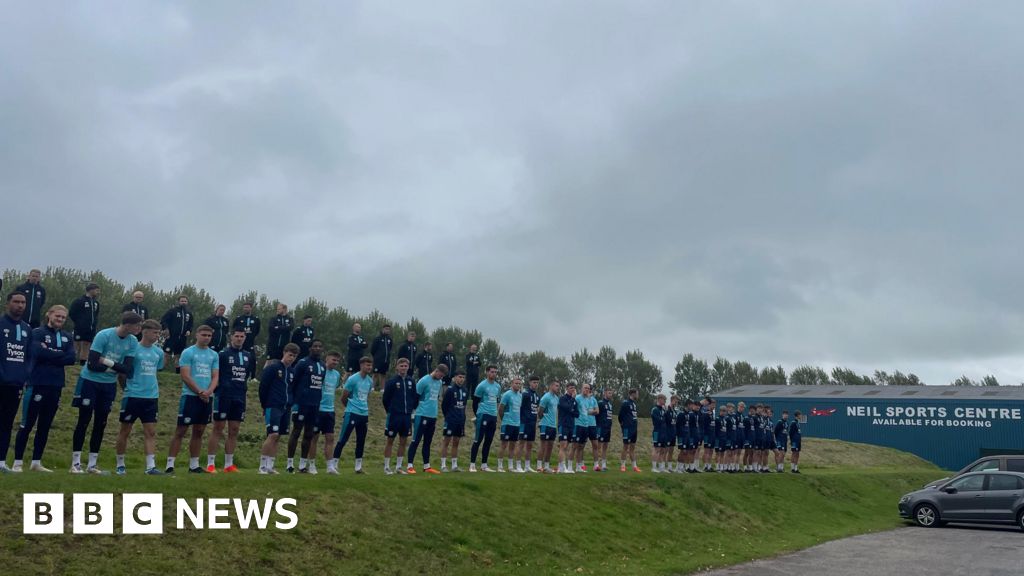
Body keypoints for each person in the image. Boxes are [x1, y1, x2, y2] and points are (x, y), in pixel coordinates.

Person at [70, 311, 141, 474]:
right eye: (137, 326)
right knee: (84, 420)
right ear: (128, 325)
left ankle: (92, 464)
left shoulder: (132, 341)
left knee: (101, 422)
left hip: (108, 385)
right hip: (90, 382)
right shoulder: (104, 335)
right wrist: (116, 366)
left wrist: (107, 362)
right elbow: (92, 364)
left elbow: (127, 369)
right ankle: (75, 463)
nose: (139, 329)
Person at [13, 304, 75, 472]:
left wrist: (51, 354)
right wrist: (59, 354)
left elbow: (71, 358)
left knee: (45, 425)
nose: (60, 319)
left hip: (56, 385)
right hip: (37, 383)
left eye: (63, 317)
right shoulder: (37, 332)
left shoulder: (67, 336)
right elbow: (38, 353)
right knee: (27, 424)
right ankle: (17, 462)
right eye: (57, 316)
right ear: (49, 315)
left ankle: (36, 462)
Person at [165, 325, 219, 474]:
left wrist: (209, 391)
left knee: (199, 431)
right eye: (204, 335)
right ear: (197, 335)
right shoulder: (188, 352)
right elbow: (185, 375)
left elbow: (215, 376)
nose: (206, 338)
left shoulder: (214, 355)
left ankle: (194, 465)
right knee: (181, 430)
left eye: (209, 335)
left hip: (207, 397)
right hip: (190, 396)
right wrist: (199, 391)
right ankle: (170, 465)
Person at [113, 319, 164, 475]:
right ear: (144, 331)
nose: (157, 336)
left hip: (151, 397)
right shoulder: (133, 349)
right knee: (125, 431)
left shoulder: (158, 352)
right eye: (154, 332)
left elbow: (157, 370)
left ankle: (150, 466)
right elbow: (122, 373)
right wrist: (127, 388)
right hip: (133, 395)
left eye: (159, 333)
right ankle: (120, 465)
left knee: (150, 432)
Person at [206, 328, 256, 473]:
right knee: (218, 428)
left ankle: (229, 464)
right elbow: (215, 374)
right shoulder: (222, 354)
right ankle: (210, 463)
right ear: (231, 337)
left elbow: (248, 374)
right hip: (224, 395)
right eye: (237, 336)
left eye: (242, 336)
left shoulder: (248, 355)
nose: (239, 339)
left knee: (234, 430)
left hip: (240, 396)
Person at [1, 293, 34, 472]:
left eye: (23, 302)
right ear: (8, 303)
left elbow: (29, 356)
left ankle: (1, 462)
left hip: (16, 384)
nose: (20, 305)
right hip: (1, 381)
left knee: (7, 423)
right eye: (16, 302)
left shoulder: (26, 328)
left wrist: (25, 375)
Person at [257, 343, 298, 474]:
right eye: (290, 355)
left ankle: (270, 465)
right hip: (273, 405)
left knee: (278, 436)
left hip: (286, 407)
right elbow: (263, 387)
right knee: (272, 434)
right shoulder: (273, 368)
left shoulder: (292, 371)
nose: (291, 358)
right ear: (284, 353)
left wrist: (291, 402)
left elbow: (292, 389)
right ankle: (262, 466)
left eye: (294, 356)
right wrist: (265, 405)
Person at [331, 356, 374, 473]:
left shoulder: (370, 381)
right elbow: (344, 397)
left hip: (364, 414)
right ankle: (334, 464)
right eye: (367, 365)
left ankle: (358, 467)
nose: (369, 367)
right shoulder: (353, 379)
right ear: (361, 365)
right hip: (352, 412)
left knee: (361, 440)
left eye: (370, 365)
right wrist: (350, 408)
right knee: (343, 438)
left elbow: (367, 396)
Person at [286, 340, 324, 473]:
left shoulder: (322, 366)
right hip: (301, 403)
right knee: (296, 431)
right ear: (310, 348)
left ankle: (302, 465)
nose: (317, 348)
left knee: (309, 434)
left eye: (320, 346)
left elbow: (320, 384)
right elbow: (293, 382)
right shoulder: (302, 363)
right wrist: (293, 401)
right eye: (315, 346)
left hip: (315, 404)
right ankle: (289, 464)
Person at [406, 364, 447, 474]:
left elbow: (435, 397)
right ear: (436, 371)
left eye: (442, 376)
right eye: (440, 375)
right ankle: (410, 465)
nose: (441, 377)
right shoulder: (423, 381)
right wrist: (413, 413)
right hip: (421, 414)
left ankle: (426, 466)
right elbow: (416, 397)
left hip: (432, 415)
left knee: (428, 441)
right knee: (416, 440)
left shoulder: (439, 382)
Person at [308, 351, 342, 475]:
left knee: (330, 438)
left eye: (337, 361)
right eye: (333, 360)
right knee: (314, 437)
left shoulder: (337, 374)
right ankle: (311, 465)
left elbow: (335, 387)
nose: (335, 363)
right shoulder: (320, 370)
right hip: (318, 409)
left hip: (330, 410)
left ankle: (330, 466)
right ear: (327, 359)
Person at [382, 358, 418, 475]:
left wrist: (411, 409)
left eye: (405, 366)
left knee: (403, 441)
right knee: (390, 440)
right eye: (401, 366)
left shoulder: (411, 381)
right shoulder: (392, 381)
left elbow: (414, 397)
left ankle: (398, 467)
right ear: (397, 367)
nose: (403, 368)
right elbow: (385, 399)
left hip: (406, 416)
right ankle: (386, 467)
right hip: (394, 415)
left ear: (408, 367)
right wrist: (390, 410)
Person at [468, 365, 501, 473]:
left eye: (495, 372)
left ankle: (484, 465)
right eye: (492, 372)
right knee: (478, 439)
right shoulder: (481, 386)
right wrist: (478, 415)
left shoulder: (498, 386)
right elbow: (475, 402)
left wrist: (495, 414)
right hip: (483, 414)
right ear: (487, 372)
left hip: (493, 416)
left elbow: (497, 401)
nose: (494, 374)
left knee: (488, 440)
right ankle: (472, 465)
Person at [439, 370, 467, 472]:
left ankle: (454, 465)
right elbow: (444, 405)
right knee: (446, 441)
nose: (461, 379)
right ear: (455, 378)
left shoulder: (465, 390)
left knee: (456, 442)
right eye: (459, 377)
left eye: (463, 377)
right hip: (451, 420)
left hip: (460, 420)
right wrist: (448, 416)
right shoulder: (450, 390)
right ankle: (443, 465)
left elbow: (464, 405)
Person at [69, 282, 101, 365]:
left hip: (91, 328)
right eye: (97, 290)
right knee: (76, 343)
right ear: (91, 290)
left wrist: (94, 324)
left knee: (87, 344)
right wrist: (79, 322)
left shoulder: (96, 303)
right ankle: (71, 359)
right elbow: (72, 313)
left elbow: (96, 314)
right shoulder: (79, 301)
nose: (98, 292)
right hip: (79, 328)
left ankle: (83, 361)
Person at [160, 295, 193, 372]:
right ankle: (160, 370)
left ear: (187, 302)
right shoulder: (172, 311)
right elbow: (163, 320)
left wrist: (189, 330)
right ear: (178, 302)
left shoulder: (188, 313)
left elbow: (190, 324)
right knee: (166, 354)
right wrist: (166, 329)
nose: (183, 302)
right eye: (182, 301)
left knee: (178, 355)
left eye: (185, 301)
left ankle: (177, 373)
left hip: (182, 337)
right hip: (171, 337)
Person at [497, 377, 523, 473]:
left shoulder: (520, 396)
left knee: (513, 445)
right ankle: (500, 466)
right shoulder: (507, 394)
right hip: (507, 423)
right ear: (512, 384)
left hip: (516, 424)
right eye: (516, 383)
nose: (518, 385)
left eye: (519, 384)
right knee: (504, 444)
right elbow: (501, 409)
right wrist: (504, 419)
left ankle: (510, 466)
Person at [535, 379, 561, 474]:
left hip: (553, 426)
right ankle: (539, 466)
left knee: (550, 446)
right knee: (543, 445)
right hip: (545, 424)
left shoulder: (556, 398)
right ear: (551, 386)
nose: (558, 388)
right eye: (556, 386)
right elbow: (540, 411)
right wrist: (544, 419)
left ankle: (546, 466)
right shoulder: (546, 397)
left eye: (558, 386)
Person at [517, 375, 541, 473]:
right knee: (521, 443)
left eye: (537, 383)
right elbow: (519, 406)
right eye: (534, 382)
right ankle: (518, 465)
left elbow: (536, 408)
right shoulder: (525, 394)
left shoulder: (537, 396)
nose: (536, 384)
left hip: (532, 422)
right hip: (524, 422)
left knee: (530, 444)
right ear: (530, 383)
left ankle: (527, 466)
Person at [574, 383, 599, 472]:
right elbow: (579, 410)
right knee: (581, 445)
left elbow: (597, 411)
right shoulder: (578, 398)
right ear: (582, 388)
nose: (588, 390)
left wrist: (588, 412)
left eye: (589, 389)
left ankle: (596, 465)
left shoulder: (593, 399)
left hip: (592, 424)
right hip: (582, 424)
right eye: (586, 388)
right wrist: (588, 411)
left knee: (595, 444)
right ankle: (581, 464)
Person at [556, 383, 579, 474]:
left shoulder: (575, 401)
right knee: (563, 446)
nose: (573, 390)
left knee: (567, 446)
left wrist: (571, 409)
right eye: (571, 388)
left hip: (571, 425)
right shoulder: (562, 399)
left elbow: (577, 414)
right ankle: (562, 467)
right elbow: (568, 408)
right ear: (567, 389)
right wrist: (572, 403)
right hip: (563, 424)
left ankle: (561, 466)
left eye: (574, 388)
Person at [266, 303, 294, 368]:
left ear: (284, 309)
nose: (277, 310)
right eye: (277, 309)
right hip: (273, 347)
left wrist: (278, 327)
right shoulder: (274, 319)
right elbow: (271, 328)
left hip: (284, 347)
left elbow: (290, 327)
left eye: (279, 309)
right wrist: (284, 328)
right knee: (270, 364)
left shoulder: (290, 319)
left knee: (283, 364)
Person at [618, 388, 639, 472]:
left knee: (632, 447)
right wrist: (623, 425)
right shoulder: (625, 403)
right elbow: (620, 416)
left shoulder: (634, 403)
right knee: (625, 446)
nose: (638, 395)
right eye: (637, 393)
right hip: (627, 428)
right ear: (633, 394)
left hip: (634, 428)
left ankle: (634, 466)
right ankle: (623, 465)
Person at [594, 388, 614, 472]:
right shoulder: (600, 403)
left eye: (611, 393)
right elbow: (596, 414)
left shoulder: (610, 404)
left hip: (608, 428)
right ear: (605, 393)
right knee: (599, 446)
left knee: (605, 446)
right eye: (609, 393)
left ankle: (604, 465)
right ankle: (597, 465)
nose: (610, 395)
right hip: (601, 427)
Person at [370, 325, 393, 391]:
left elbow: (390, 348)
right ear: (383, 329)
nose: (387, 330)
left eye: (388, 329)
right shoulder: (378, 338)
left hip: (386, 360)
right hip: (378, 360)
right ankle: (372, 388)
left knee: (383, 374)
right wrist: (377, 356)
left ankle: (382, 389)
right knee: (375, 374)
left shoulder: (389, 339)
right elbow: (373, 350)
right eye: (386, 329)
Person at [651, 394, 667, 473]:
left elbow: (666, 420)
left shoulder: (663, 410)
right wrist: (663, 419)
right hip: (657, 431)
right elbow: (658, 420)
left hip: (664, 432)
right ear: (659, 399)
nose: (665, 402)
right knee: (656, 449)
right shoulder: (655, 409)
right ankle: (654, 467)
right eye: (664, 400)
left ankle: (661, 467)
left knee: (663, 450)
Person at [700, 397, 716, 472]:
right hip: (707, 433)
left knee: (711, 450)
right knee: (706, 450)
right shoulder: (705, 412)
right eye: (713, 404)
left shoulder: (713, 413)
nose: (714, 406)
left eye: (715, 405)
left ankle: (709, 466)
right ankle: (705, 466)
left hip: (712, 434)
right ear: (709, 405)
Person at [664, 396, 679, 472]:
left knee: (671, 450)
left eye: (677, 401)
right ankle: (663, 466)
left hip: (673, 433)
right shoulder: (667, 409)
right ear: (672, 400)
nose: (677, 402)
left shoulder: (675, 410)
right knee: (665, 450)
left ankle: (669, 467)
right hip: (668, 432)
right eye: (676, 401)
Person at [774, 408, 789, 473]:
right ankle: (778, 467)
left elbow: (786, 432)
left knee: (783, 454)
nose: (786, 416)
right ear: (782, 415)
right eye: (785, 414)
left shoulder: (787, 423)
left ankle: (781, 467)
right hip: (780, 440)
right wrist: (777, 439)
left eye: (787, 414)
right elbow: (775, 431)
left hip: (784, 440)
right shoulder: (780, 422)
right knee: (781, 453)